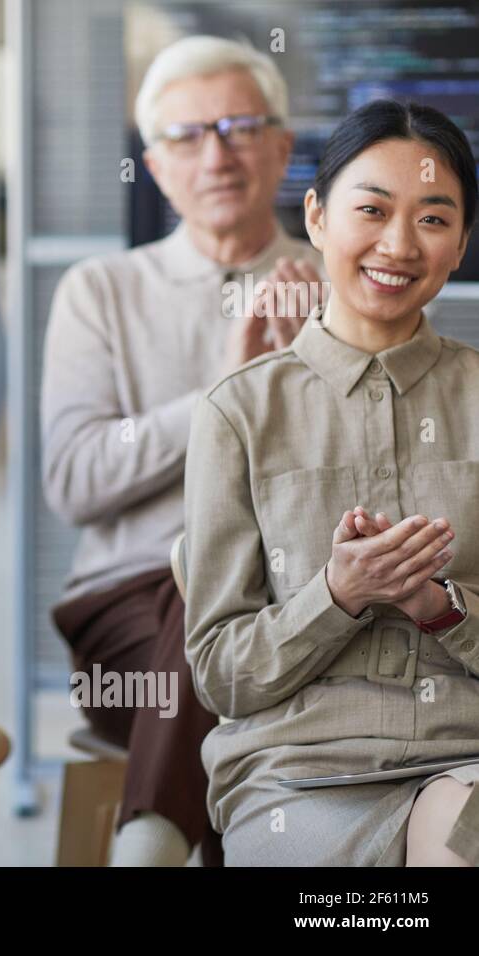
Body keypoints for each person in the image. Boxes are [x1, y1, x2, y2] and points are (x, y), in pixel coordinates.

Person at [41, 36, 323, 866]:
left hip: (301, 613)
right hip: (124, 613)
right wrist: (227, 388)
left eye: (240, 126)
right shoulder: (101, 291)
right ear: (155, 167)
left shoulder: (337, 289)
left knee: (241, 626)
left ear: (281, 145)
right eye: (187, 136)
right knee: (201, 590)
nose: (218, 153)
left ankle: (148, 845)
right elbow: (75, 480)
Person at [184, 98, 479, 866]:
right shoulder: (238, 412)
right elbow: (220, 673)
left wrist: (440, 607)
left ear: (462, 243)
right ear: (316, 217)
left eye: (433, 219)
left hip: (467, 753)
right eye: (372, 210)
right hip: (298, 774)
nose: (398, 244)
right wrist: (336, 596)